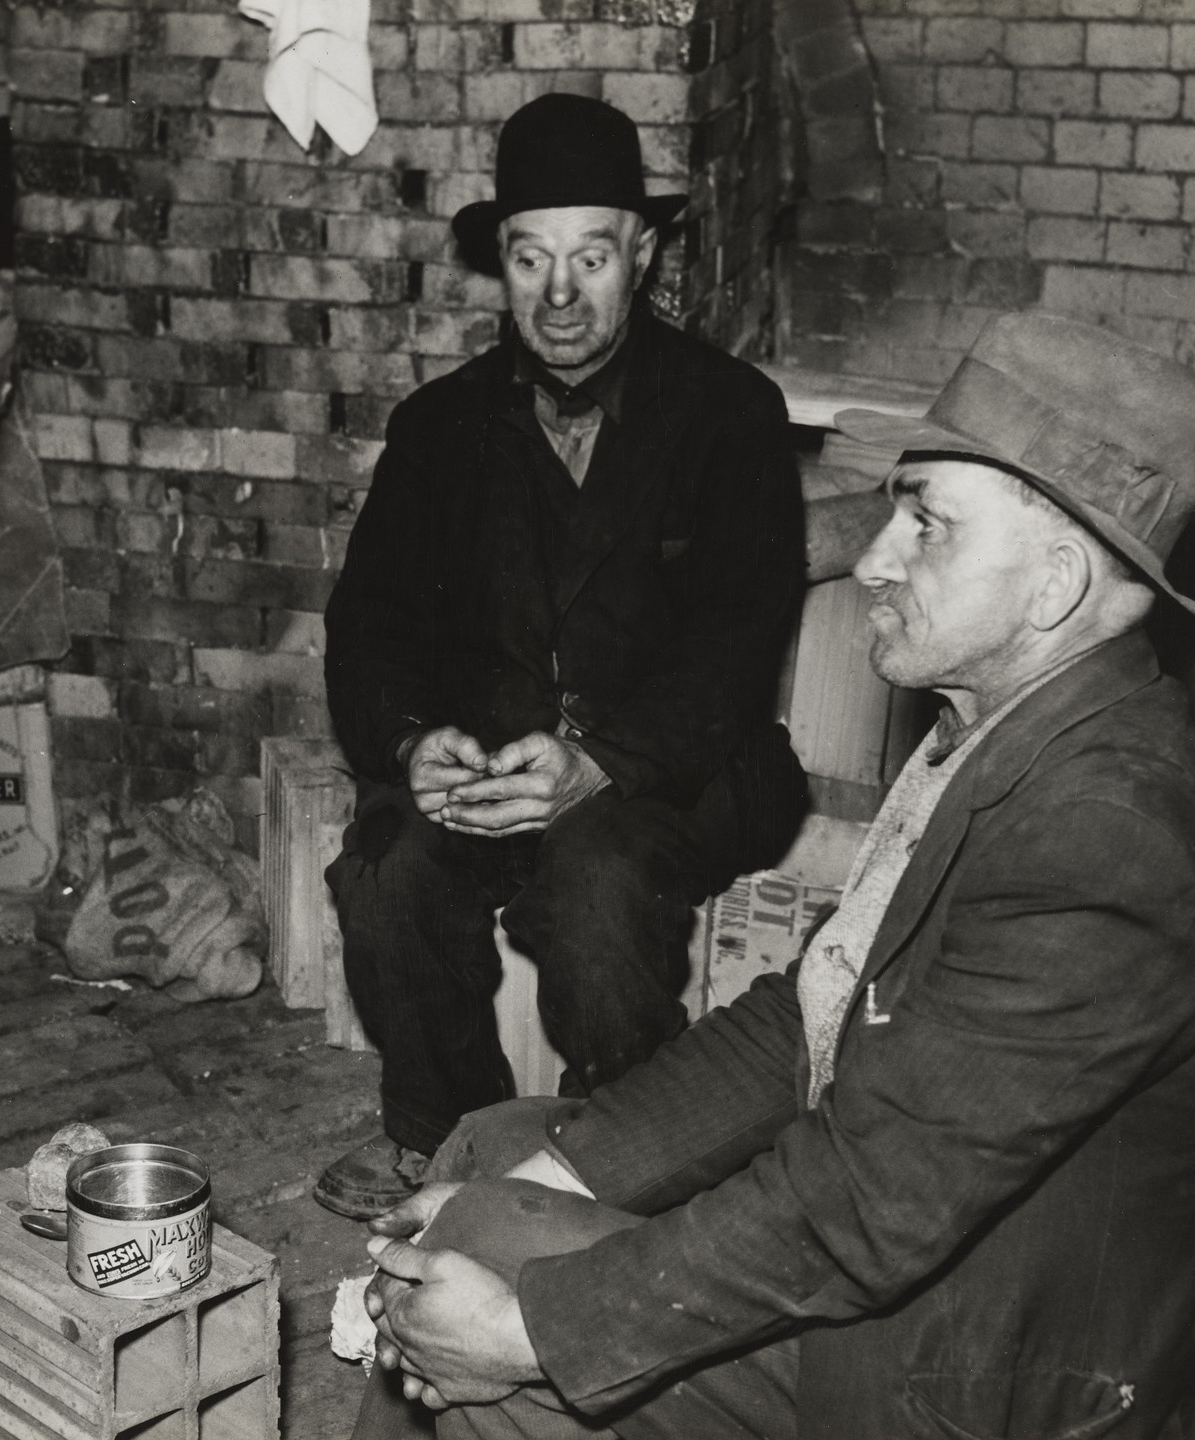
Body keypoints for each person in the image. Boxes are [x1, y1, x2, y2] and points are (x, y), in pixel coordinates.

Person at [353, 311, 1195, 1440]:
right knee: (495, 1157)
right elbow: (811, 1012)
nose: (872, 560)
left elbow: (867, 1201)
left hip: (1003, 1367)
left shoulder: (1111, 835)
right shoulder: (1002, 735)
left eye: (926, 525)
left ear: (1054, 586)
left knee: (488, 1317)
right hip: (915, 1247)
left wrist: (534, 1327)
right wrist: (565, 1173)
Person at [315, 93, 810, 1219]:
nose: (559, 294)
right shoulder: (439, 428)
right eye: (532, 259)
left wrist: (598, 762)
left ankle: (620, 1144)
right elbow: (369, 625)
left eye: (590, 257)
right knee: (388, 869)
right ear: (502, 262)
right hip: (492, 767)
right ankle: (438, 1133)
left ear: (641, 253)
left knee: (596, 886)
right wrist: (410, 740)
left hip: (674, 769)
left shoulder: (731, 415)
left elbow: (736, 645)